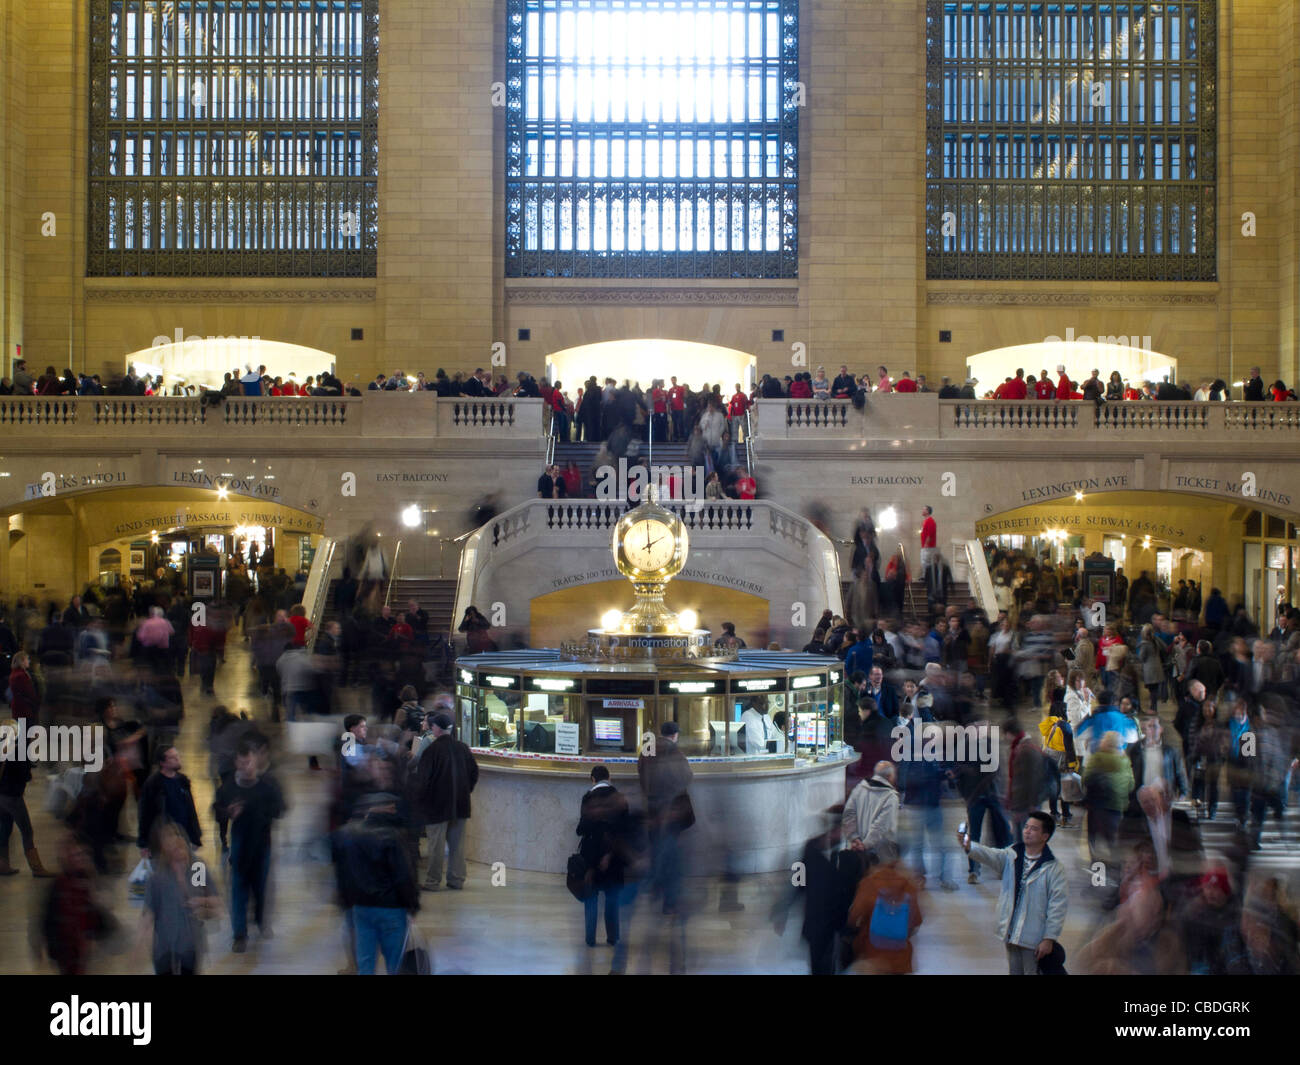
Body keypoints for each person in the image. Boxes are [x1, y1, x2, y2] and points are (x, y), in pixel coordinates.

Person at [959, 811, 1068, 975]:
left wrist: (1049, 938)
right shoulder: (1012, 854)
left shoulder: (1054, 868)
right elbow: (992, 856)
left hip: (1034, 939)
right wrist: (969, 846)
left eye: (1033, 829)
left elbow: (1057, 906)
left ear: (1045, 836)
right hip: (1011, 933)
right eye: (1026, 827)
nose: (1027, 831)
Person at [331, 792, 420, 975]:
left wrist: (347, 899)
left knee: (365, 963)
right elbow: (403, 876)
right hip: (391, 909)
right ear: (383, 809)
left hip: (361, 908)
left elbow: (344, 872)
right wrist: (412, 904)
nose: (395, 810)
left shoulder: (350, 835)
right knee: (395, 963)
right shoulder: (393, 837)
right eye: (392, 807)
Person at [214, 734, 286, 952]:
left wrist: (265, 812)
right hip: (240, 846)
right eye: (243, 763)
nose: (247, 767)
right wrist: (228, 813)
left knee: (261, 887)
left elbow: (280, 809)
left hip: (262, 845)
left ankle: (260, 919)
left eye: (250, 762)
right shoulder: (228, 788)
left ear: (256, 760)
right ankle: (239, 934)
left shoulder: (267, 786)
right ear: (237, 763)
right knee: (238, 889)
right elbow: (216, 811)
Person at [137, 822, 221, 974]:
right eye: (167, 838)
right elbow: (149, 912)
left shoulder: (196, 868)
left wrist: (201, 902)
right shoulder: (157, 875)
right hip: (164, 946)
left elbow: (214, 899)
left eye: (175, 836)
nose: (173, 841)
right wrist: (141, 941)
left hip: (190, 942)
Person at [411, 712, 479, 891]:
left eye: (433, 726)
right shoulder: (463, 748)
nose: (431, 728)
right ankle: (456, 880)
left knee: (436, 846)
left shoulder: (431, 751)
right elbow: (474, 773)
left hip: (436, 806)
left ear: (437, 729)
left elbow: (423, 780)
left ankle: (433, 882)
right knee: (457, 846)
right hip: (461, 804)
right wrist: (466, 791)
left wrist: (420, 801)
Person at [637, 721, 694, 916]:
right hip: (670, 811)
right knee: (671, 857)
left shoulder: (648, 748)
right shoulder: (674, 753)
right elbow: (686, 776)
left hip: (652, 808)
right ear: (675, 735)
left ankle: (655, 887)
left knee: (655, 849)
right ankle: (670, 903)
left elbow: (641, 773)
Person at [845, 840, 923, 974]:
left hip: (873, 958)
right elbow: (916, 921)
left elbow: (853, 917)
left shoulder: (868, 884)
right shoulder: (909, 886)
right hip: (900, 958)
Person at [576, 765, 629, 948]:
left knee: (591, 896)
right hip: (614, 855)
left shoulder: (588, 798)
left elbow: (581, 829)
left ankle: (590, 939)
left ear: (592, 779)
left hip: (592, 855)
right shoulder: (620, 799)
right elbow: (625, 829)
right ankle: (613, 938)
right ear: (610, 777)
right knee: (612, 896)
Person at [0, 731, 53, 877]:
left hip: (1, 796)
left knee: (4, 829)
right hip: (13, 798)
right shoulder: (20, 751)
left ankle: (3, 864)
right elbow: (25, 775)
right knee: (27, 831)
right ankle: (37, 869)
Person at [136, 746, 202, 857]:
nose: (177, 759)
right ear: (163, 763)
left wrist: (195, 837)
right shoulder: (153, 784)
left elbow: (190, 810)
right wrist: (144, 843)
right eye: (172, 758)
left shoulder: (183, 781)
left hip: (182, 837)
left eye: (177, 756)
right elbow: (145, 814)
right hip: (163, 839)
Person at [841, 760, 900, 864]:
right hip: (882, 854)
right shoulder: (891, 797)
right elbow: (882, 826)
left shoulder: (859, 789)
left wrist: (854, 838)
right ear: (889, 776)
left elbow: (848, 815)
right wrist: (865, 845)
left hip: (857, 850)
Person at [919, 505, 937, 570]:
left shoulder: (930, 521)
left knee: (927, 564)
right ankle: (925, 576)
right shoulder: (925, 521)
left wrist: (926, 545)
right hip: (925, 547)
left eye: (924, 509)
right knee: (924, 563)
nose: (922, 511)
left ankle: (927, 577)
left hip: (929, 548)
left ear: (927, 511)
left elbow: (929, 534)